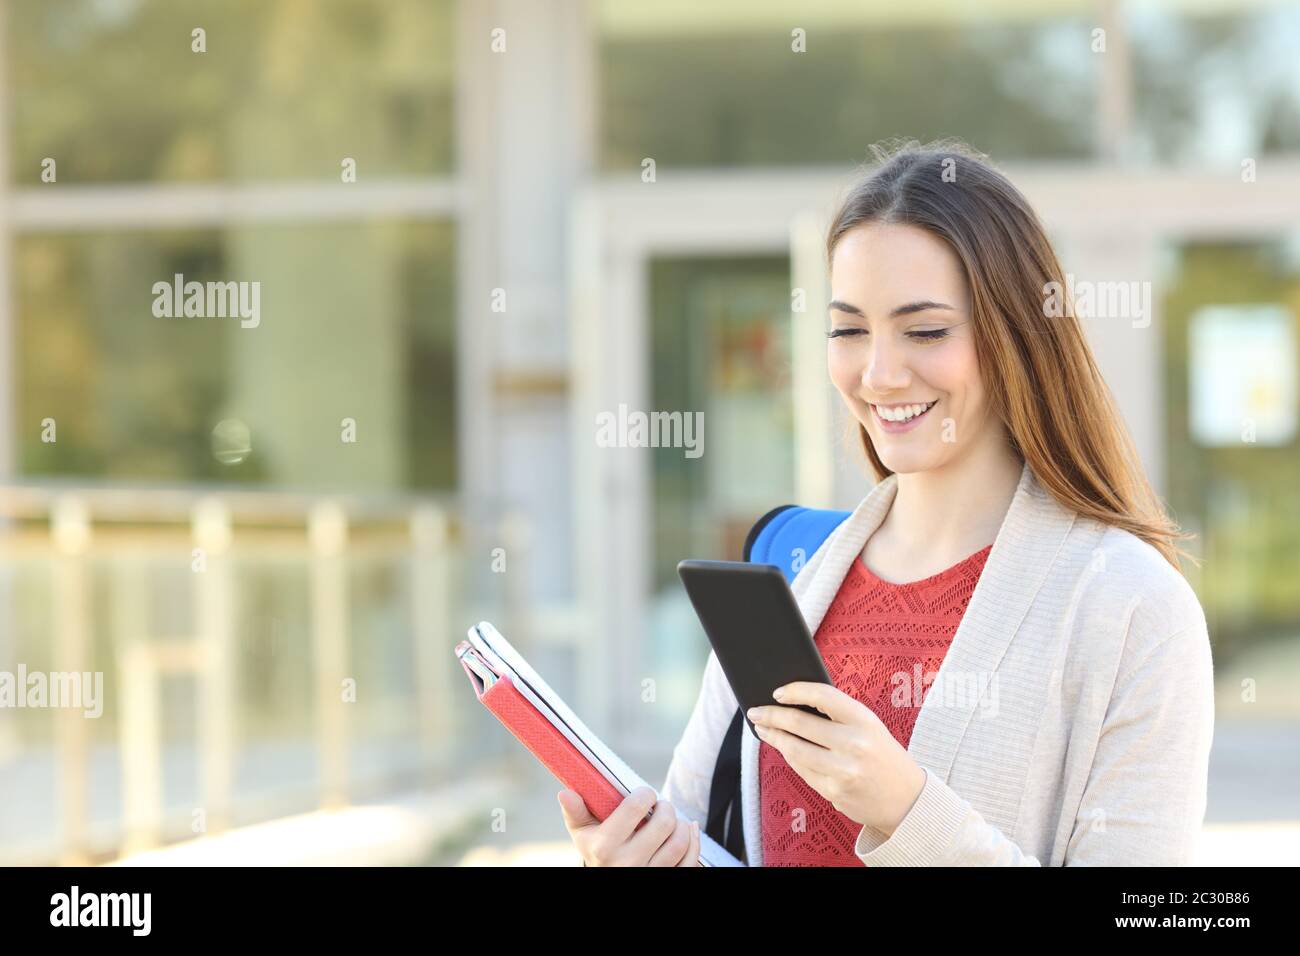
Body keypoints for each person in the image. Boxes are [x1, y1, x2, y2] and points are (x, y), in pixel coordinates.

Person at [559, 138, 1213, 867]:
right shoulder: (797, 575)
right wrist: (642, 855)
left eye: (925, 330)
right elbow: (697, 828)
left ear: (1019, 337)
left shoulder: (1131, 607)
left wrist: (907, 811)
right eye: (848, 330)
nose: (878, 372)